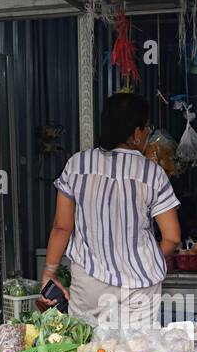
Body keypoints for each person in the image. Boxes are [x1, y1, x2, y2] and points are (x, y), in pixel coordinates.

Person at [39, 92, 182, 333]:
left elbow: (62, 226)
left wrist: (49, 272)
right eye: (146, 128)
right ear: (136, 133)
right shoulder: (152, 173)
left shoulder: (77, 165)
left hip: (89, 283)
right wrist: (144, 263)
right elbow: (172, 238)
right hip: (140, 287)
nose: (147, 133)